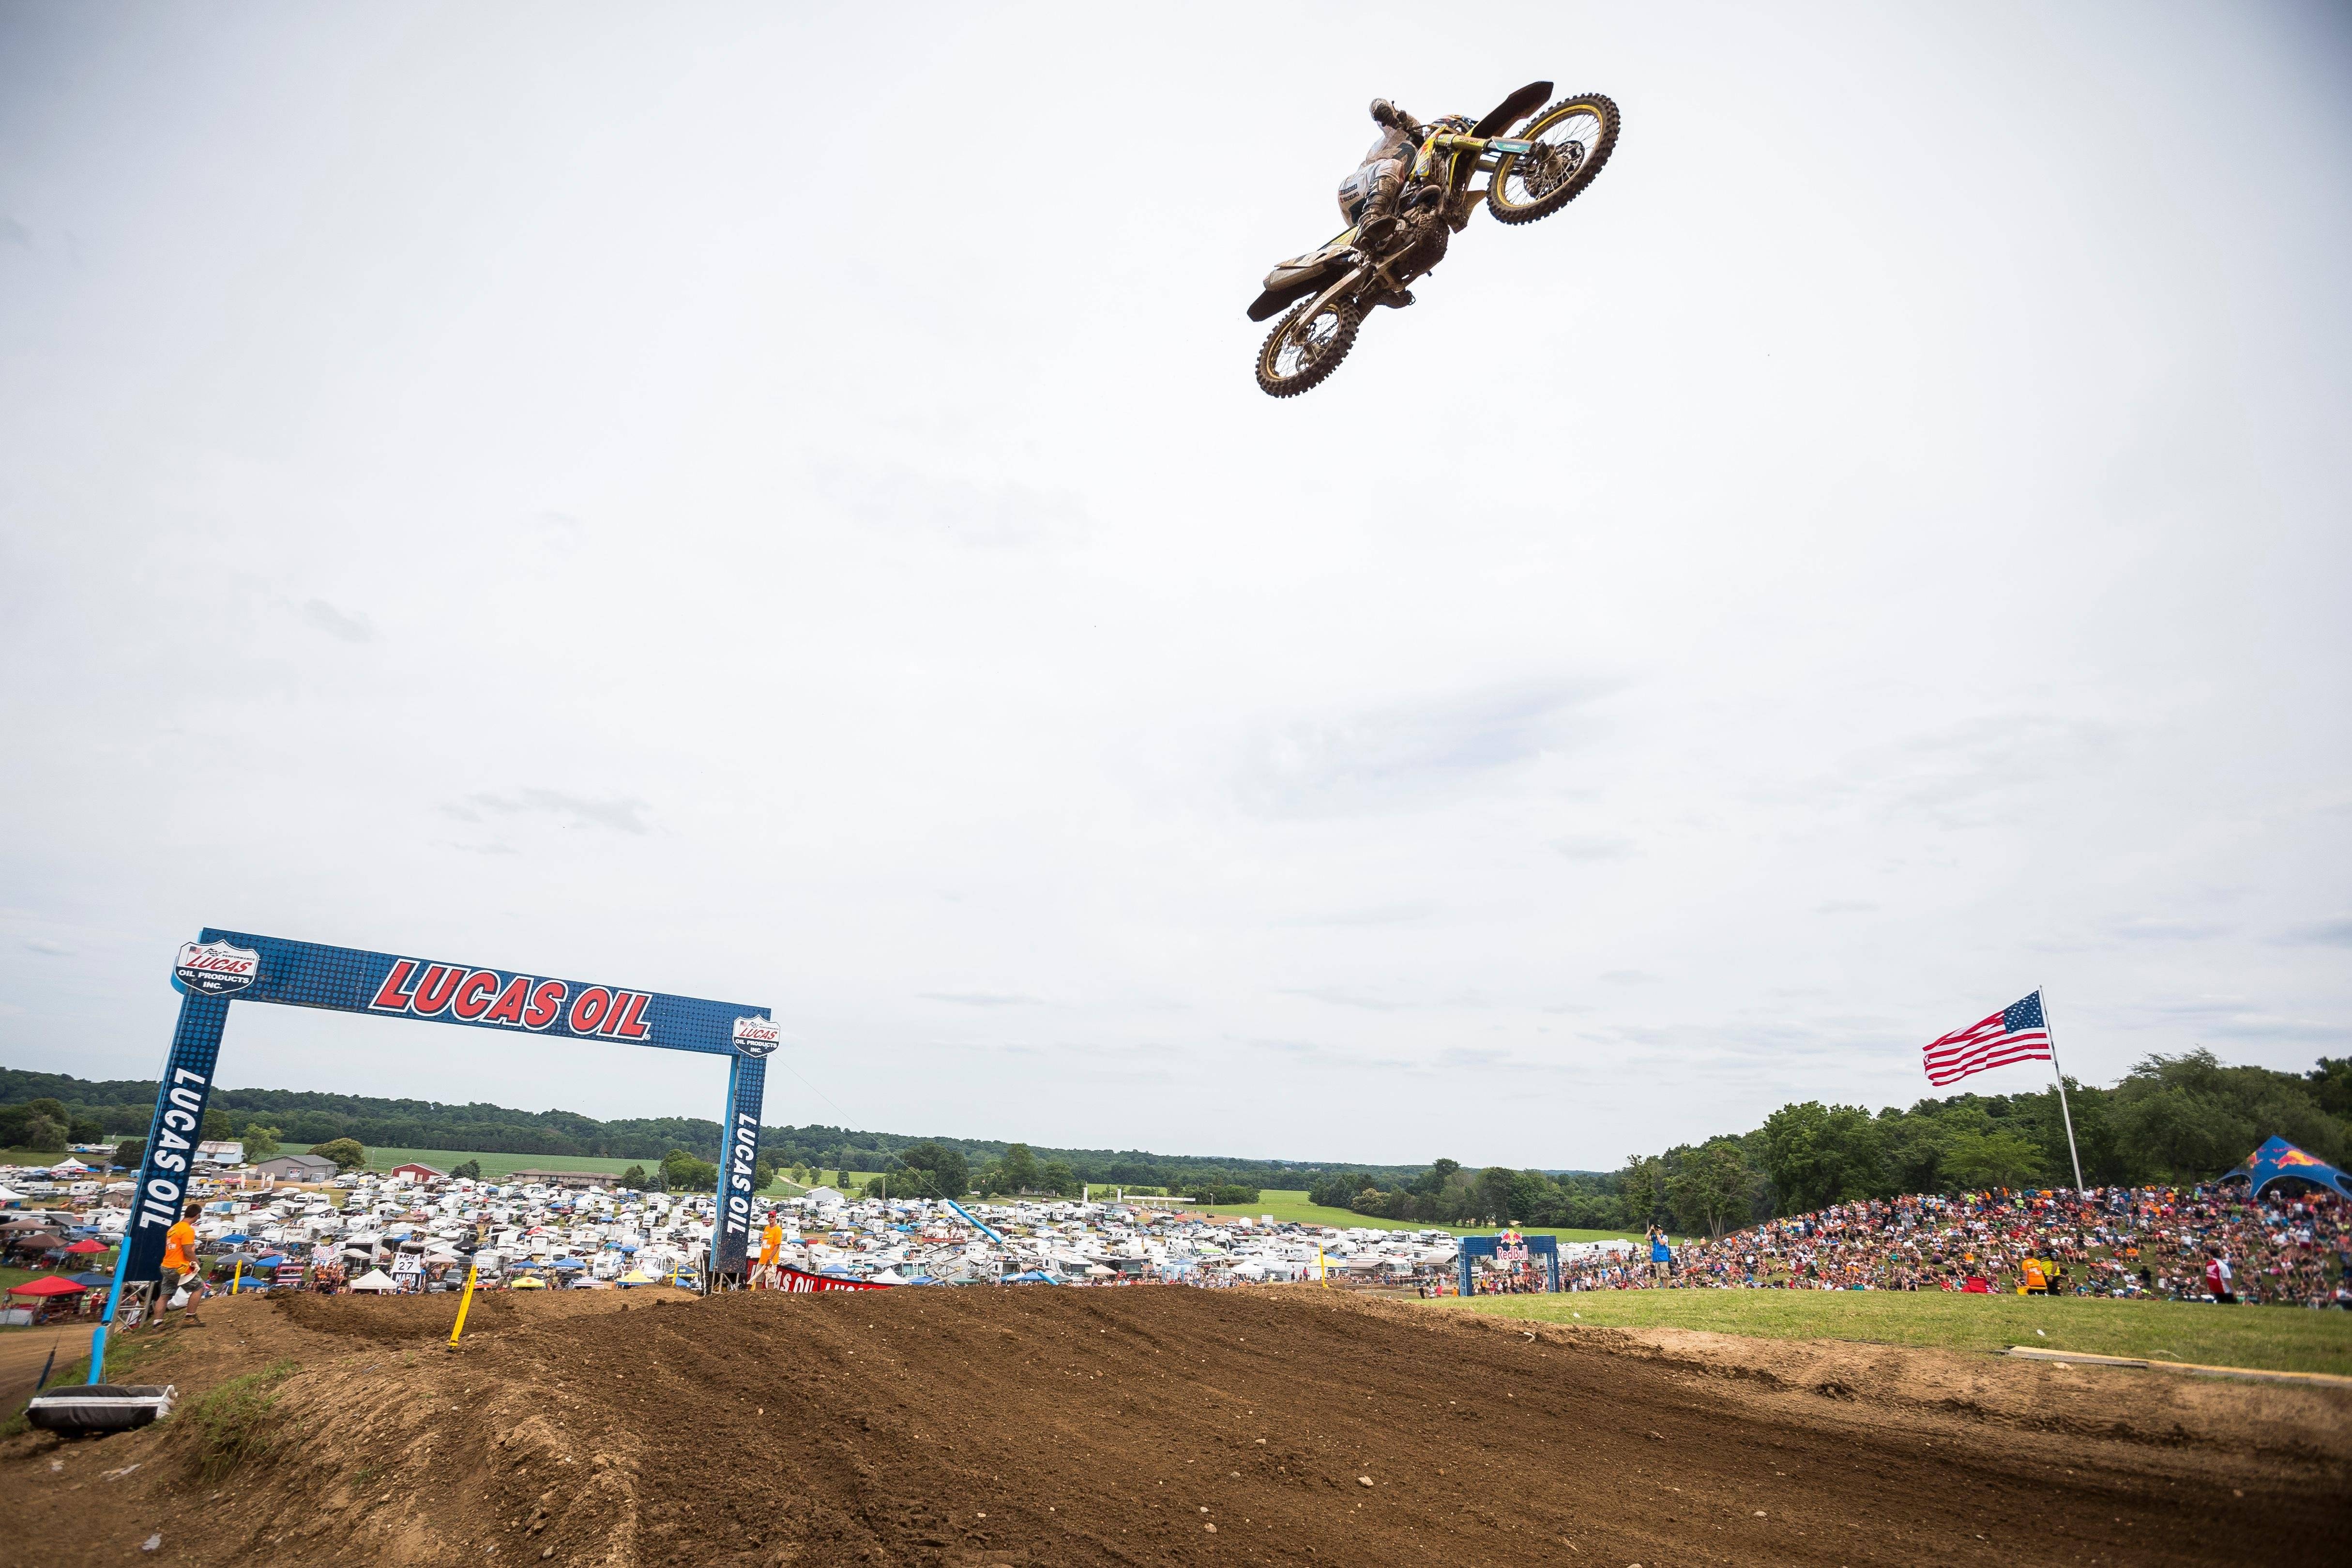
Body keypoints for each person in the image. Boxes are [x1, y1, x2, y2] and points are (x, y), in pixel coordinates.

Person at [1334, 99, 1427, 307]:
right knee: (1393, 166)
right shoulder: (1404, 129)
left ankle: (1382, 285)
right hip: (1355, 193)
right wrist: (1386, 112)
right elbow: (1378, 107)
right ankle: (1370, 220)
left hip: (1387, 201)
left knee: (1420, 224)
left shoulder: (1424, 169)